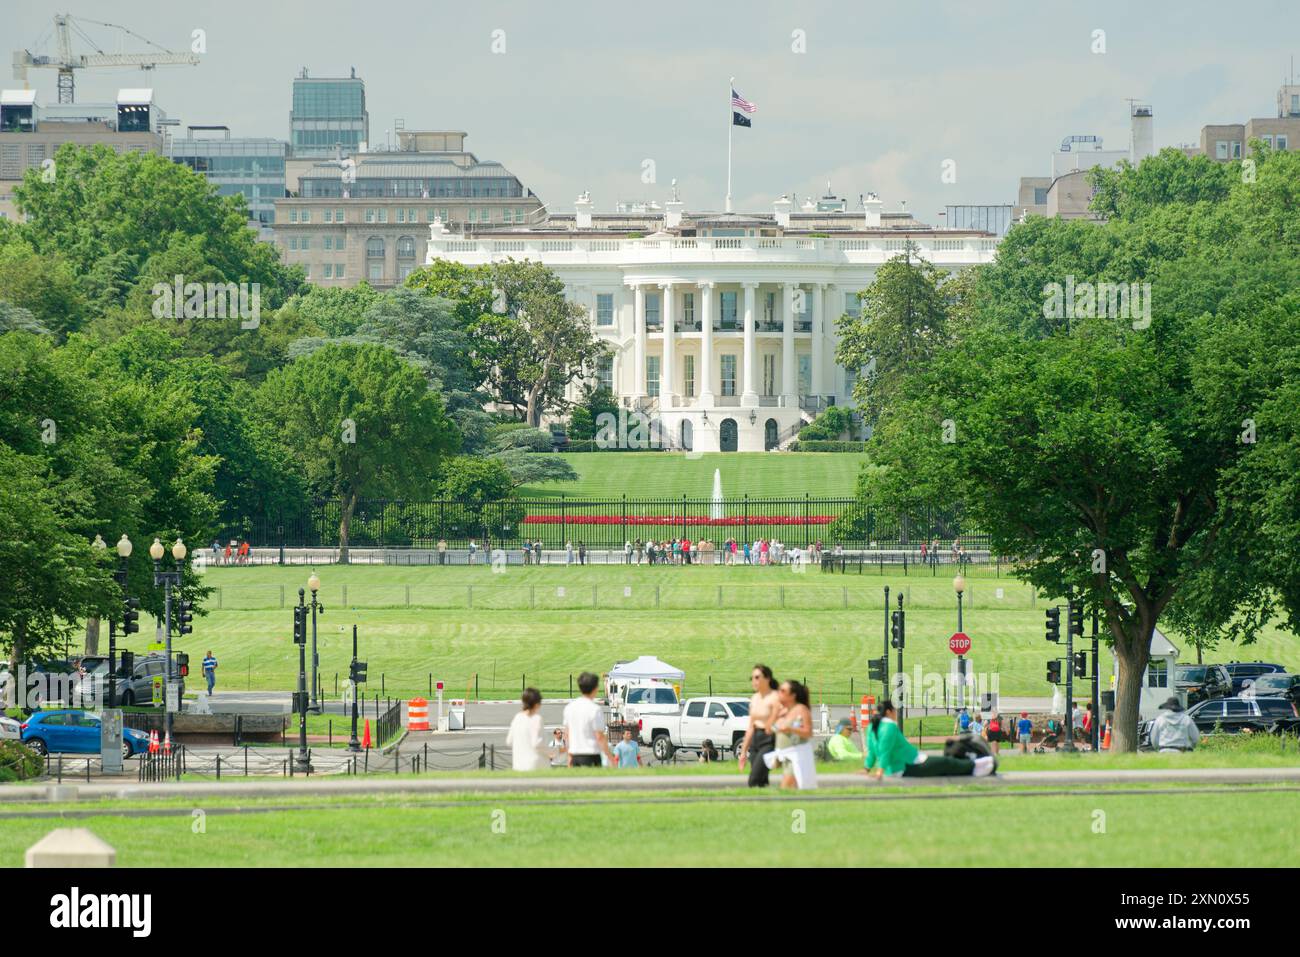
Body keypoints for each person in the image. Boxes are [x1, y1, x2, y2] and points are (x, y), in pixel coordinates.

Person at [862, 700, 996, 779]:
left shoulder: (872, 727)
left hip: (904, 764)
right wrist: (880, 770)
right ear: (888, 712)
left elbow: (873, 751)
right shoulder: (889, 727)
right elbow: (885, 749)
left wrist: (867, 768)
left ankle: (979, 765)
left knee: (944, 764)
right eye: (895, 711)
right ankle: (982, 765)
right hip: (908, 764)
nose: (896, 714)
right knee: (946, 763)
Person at [763, 680, 817, 789]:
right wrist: (776, 713)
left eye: (783, 690)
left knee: (786, 787)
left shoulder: (801, 709)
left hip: (797, 756)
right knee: (793, 789)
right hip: (785, 757)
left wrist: (790, 729)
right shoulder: (783, 711)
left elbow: (808, 732)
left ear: (792, 695)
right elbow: (768, 729)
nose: (779, 692)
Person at [738, 664, 781, 787]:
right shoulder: (754, 698)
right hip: (756, 739)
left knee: (754, 780)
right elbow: (751, 726)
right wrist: (743, 751)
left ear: (767, 678)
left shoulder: (775, 697)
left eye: (757, 677)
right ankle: (765, 803)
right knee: (761, 781)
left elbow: (781, 719)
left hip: (769, 739)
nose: (754, 681)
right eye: (752, 678)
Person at [561, 671, 613, 767]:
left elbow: (567, 734)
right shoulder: (595, 709)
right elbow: (599, 736)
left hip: (574, 754)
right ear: (595, 688)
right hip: (591, 754)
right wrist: (610, 757)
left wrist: (569, 755)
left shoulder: (569, 707)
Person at [506, 688, 550, 771]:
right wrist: (555, 752)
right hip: (535, 765)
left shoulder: (517, 717)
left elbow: (509, 741)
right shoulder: (537, 718)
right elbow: (537, 743)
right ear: (537, 704)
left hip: (518, 765)